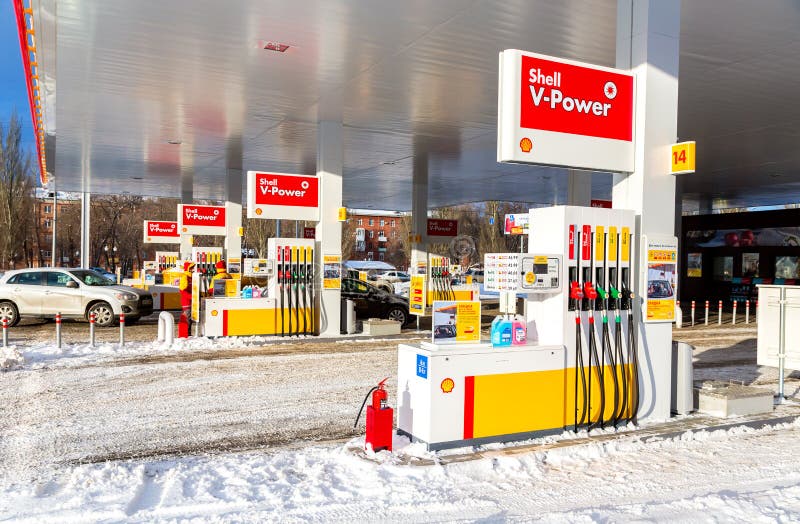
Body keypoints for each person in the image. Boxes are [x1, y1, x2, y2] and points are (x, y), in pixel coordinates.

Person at [179, 261, 195, 327]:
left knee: (190, 319)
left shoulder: (191, 277)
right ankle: (186, 335)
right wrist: (192, 297)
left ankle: (188, 334)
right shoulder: (185, 277)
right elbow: (183, 291)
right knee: (187, 319)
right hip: (186, 302)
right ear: (188, 269)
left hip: (191, 301)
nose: (193, 270)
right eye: (191, 268)